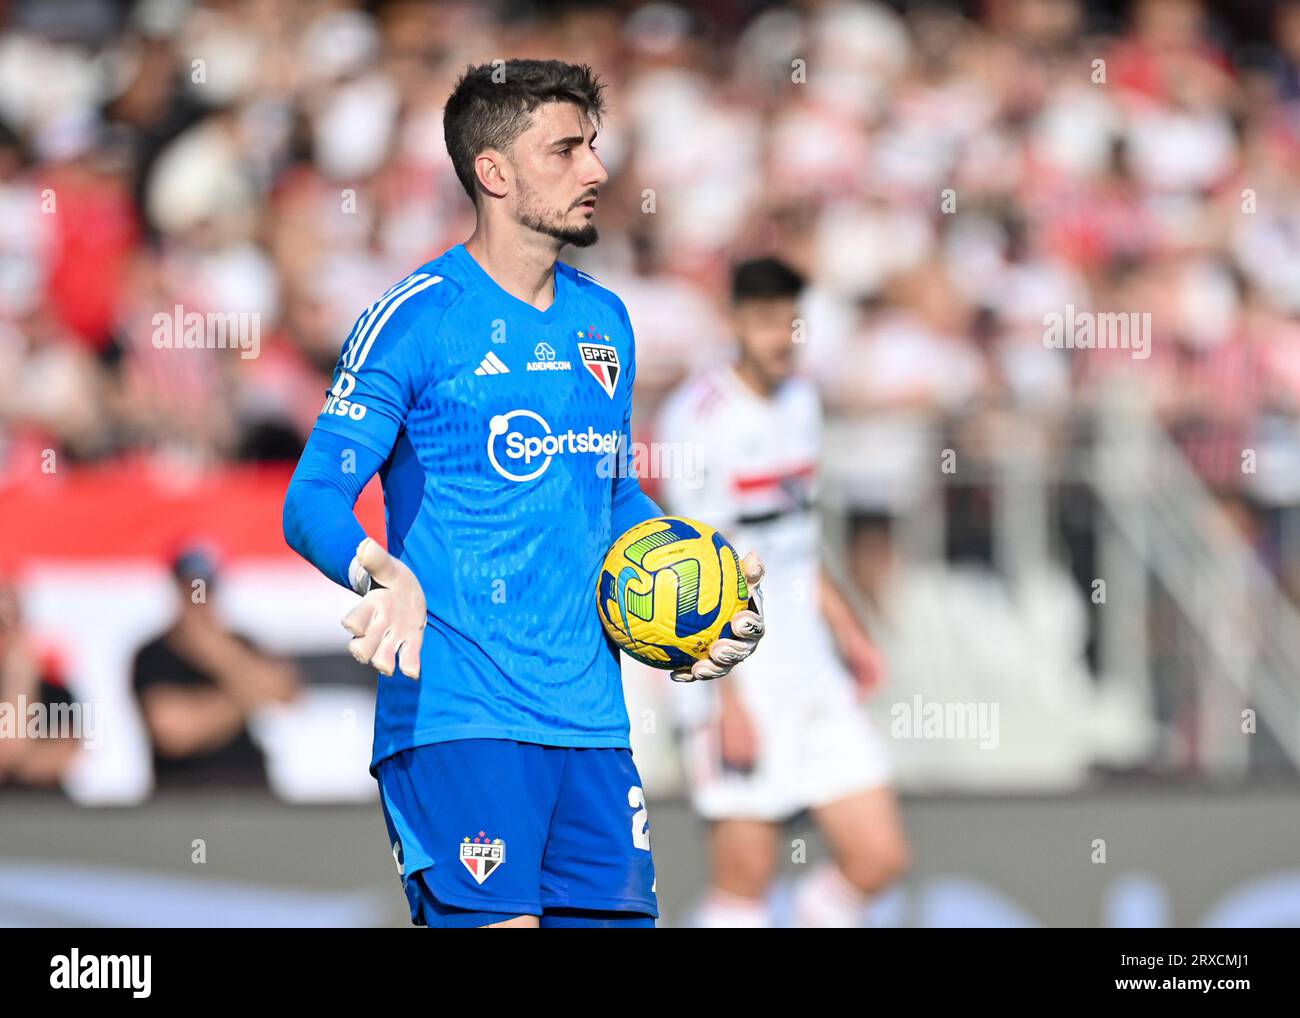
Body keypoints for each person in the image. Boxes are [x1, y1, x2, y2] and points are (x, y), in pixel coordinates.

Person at [282, 60, 768, 929]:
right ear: (494, 173)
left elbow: (613, 498)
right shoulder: (417, 317)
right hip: (458, 714)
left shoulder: (603, 318)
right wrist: (378, 573)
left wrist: (696, 589)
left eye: (595, 146)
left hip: (592, 724)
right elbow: (313, 494)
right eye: (567, 151)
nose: (598, 171)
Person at [658, 257, 910, 927]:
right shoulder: (699, 418)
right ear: (736, 321)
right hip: (736, 671)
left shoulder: (802, 401)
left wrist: (850, 633)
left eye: (791, 321)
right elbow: (692, 573)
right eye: (766, 320)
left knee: (879, 856)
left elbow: (797, 538)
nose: (781, 337)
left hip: (812, 669)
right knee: (744, 884)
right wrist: (726, 699)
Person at [131, 546, 301, 792]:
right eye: (191, 589)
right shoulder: (152, 654)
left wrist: (215, 650)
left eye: (205, 589)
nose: (199, 599)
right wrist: (247, 694)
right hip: (181, 795)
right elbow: (175, 732)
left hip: (249, 791)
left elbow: (287, 692)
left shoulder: (237, 644)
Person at [0, 577, 83, 792]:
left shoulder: (55, 691)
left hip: (42, 813)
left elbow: (63, 755)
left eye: (13, 622)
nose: (7, 634)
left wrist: (20, 681)